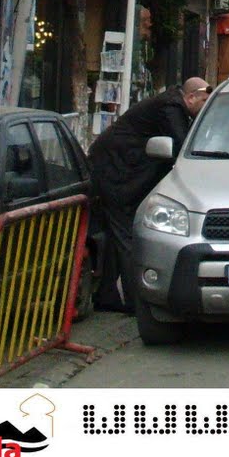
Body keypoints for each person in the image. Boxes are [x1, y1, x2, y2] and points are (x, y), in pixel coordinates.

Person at [88, 77, 209, 311]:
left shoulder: (172, 104)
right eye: (204, 100)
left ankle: (107, 296)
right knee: (125, 234)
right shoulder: (170, 107)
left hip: (120, 169)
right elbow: (181, 146)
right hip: (116, 171)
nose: (204, 107)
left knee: (117, 235)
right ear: (191, 97)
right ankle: (137, 300)